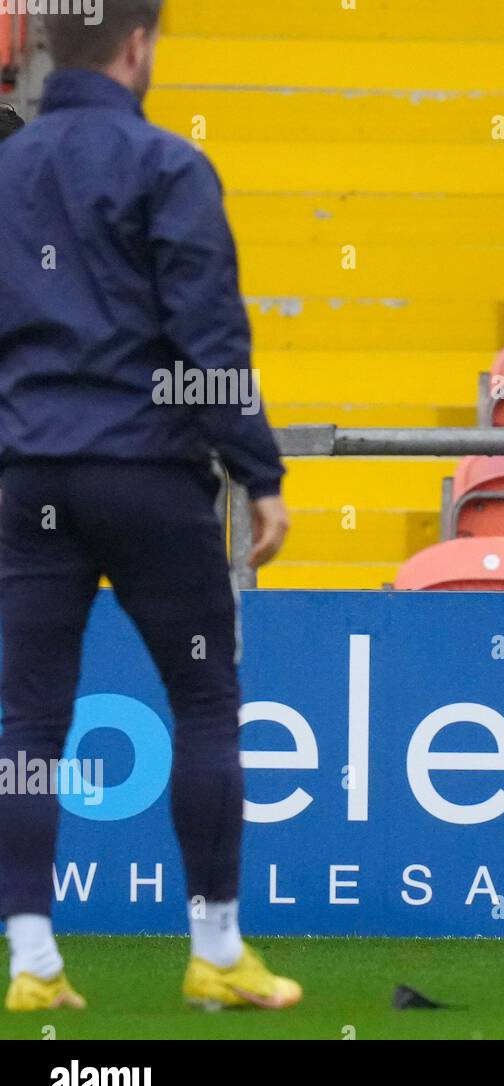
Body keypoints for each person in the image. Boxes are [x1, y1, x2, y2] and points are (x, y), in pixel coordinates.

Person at [0, 2, 298, 1011]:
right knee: (205, 703)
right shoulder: (167, 166)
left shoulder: (5, 169)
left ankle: (32, 960)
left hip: (31, 475)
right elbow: (210, 340)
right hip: (147, 471)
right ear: (137, 47)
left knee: (28, 721)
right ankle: (215, 946)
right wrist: (260, 469)